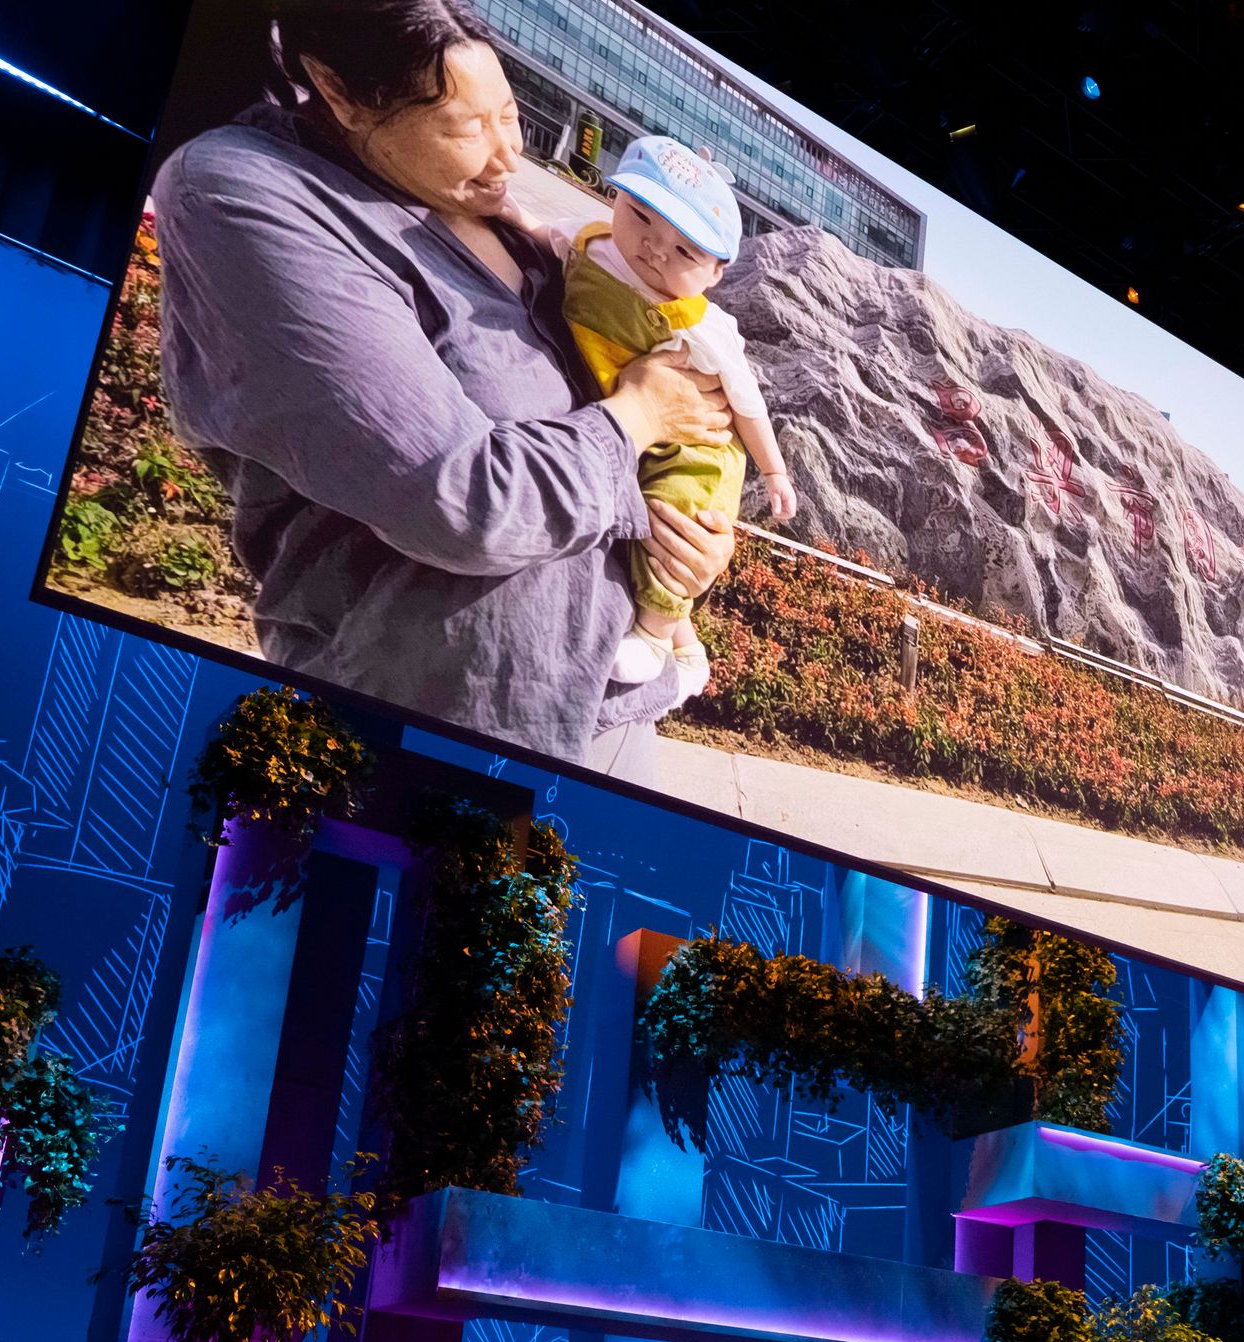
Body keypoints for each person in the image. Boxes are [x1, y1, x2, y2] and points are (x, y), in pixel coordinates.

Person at [151, 0, 736, 774]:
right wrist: (639, 414)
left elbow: (605, 423)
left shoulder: (502, 218)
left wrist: (689, 541)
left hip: (599, 702)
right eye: (466, 128)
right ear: (339, 90)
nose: (507, 155)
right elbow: (461, 501)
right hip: (425, 720)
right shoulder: (246, 191)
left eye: (509, 112)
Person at [553, 133, 796, 689]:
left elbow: (745, 400)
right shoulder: (590, 243)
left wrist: (773, 469)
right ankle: (687, 653)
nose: (656, 249)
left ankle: (655, 633)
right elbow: (541, 236)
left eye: (686, 250)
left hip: (693, 447)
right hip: (624, 417)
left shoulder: (699, 324)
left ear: (716, 273)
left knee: (674, 522)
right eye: (641, 216)